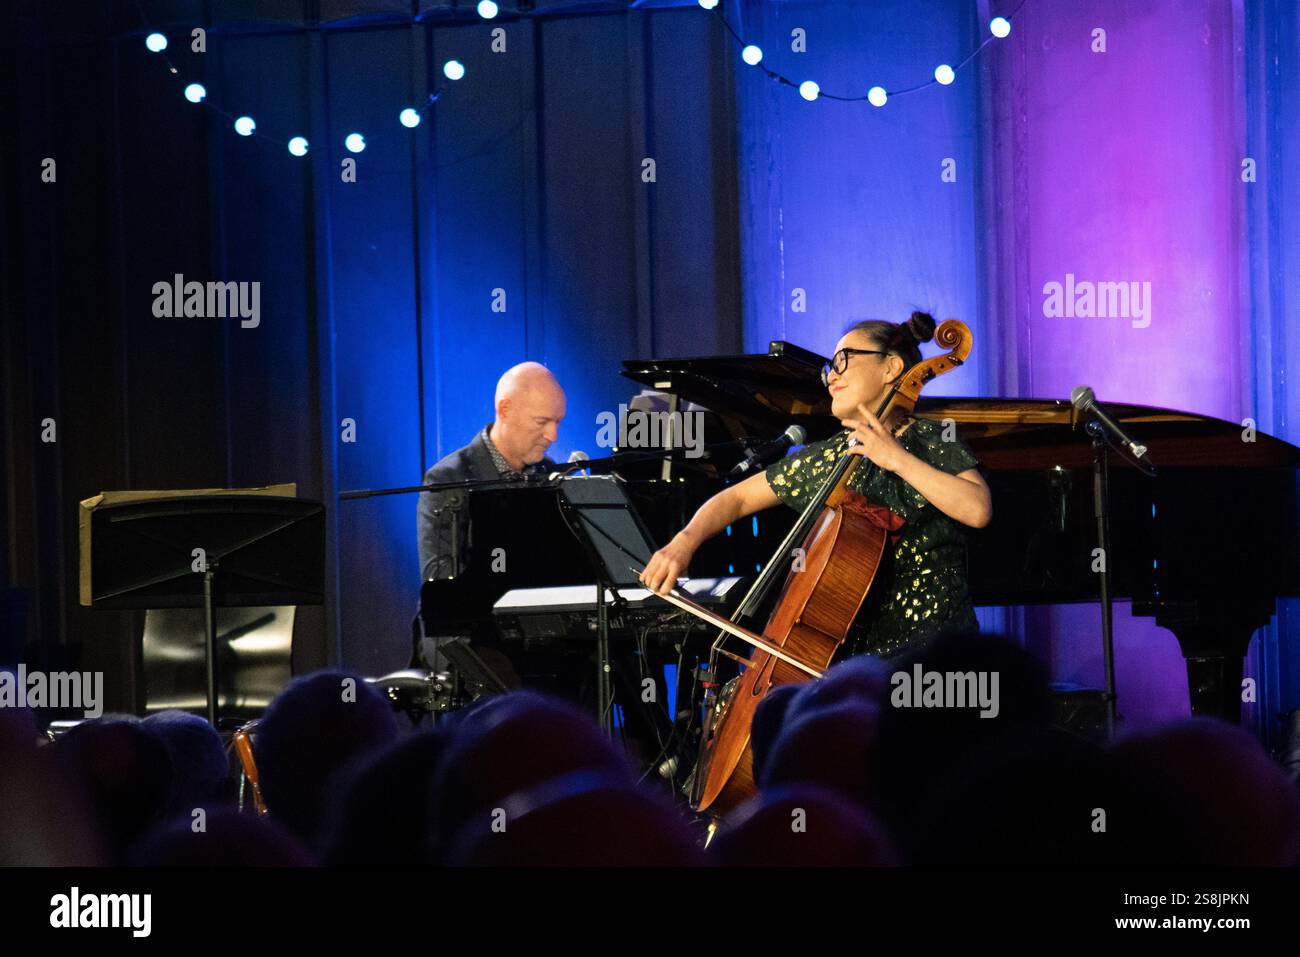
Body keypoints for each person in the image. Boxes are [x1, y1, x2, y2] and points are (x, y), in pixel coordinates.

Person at [640, 312, 991, 659]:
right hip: (854, 660)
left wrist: (897, 459)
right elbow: (738, 498)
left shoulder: (931, 438)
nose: (831, 378)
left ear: (891, 368)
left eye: (843, 361)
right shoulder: (829, 456)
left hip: (936, 657)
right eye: (830, 369)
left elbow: (977, 510)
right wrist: (683, 543)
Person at [416, 361, 566, 582]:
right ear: (504, 410)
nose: (553, 436)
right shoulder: (448, 479)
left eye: (558, 422)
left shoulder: (552, 475)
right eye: (541, 421)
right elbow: (438, 578)